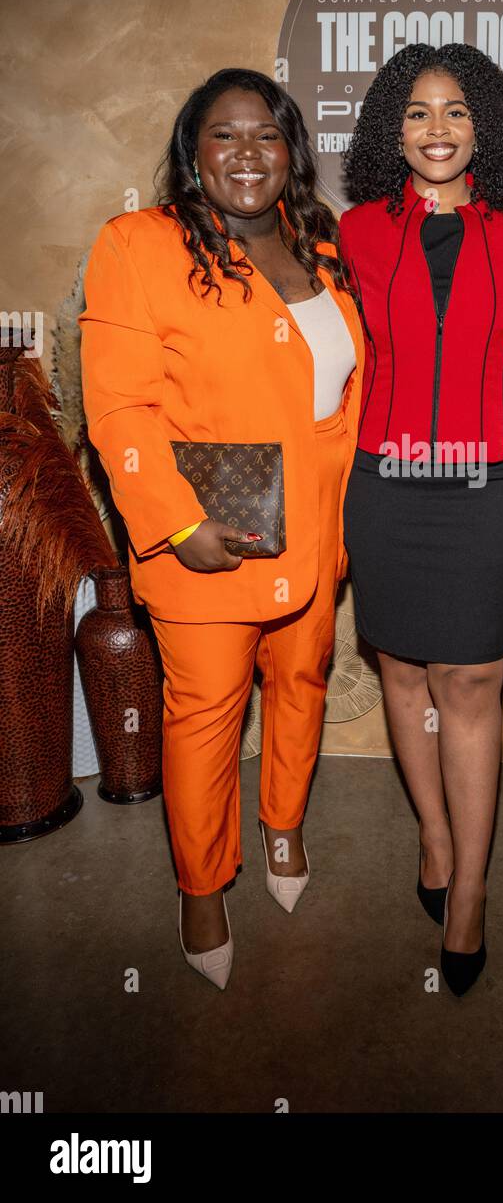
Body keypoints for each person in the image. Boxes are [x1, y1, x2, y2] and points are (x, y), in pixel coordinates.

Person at [79, 68, 364, 989]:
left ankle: (283, 824)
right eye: (224, 137)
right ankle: (201, 885)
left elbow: (342, 393)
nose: (248, 154)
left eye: (267, 136)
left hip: (318, 523)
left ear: (293, 152)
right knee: (203, 716)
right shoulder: (138, 244)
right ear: (191, 154)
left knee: (303, 679)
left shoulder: (317, 244)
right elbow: (116, 411)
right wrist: (174, 524)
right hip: (212, 535)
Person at [338, 43, 503, 996]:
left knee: (470, 681)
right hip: (385, 486)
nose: (437, 130)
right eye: (419, 113)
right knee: (401, 671)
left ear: (488, 128)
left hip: (485, 490)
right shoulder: (352, 231)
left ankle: (469, 890)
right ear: (394, 129)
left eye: (457, 112)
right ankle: (434, 837)